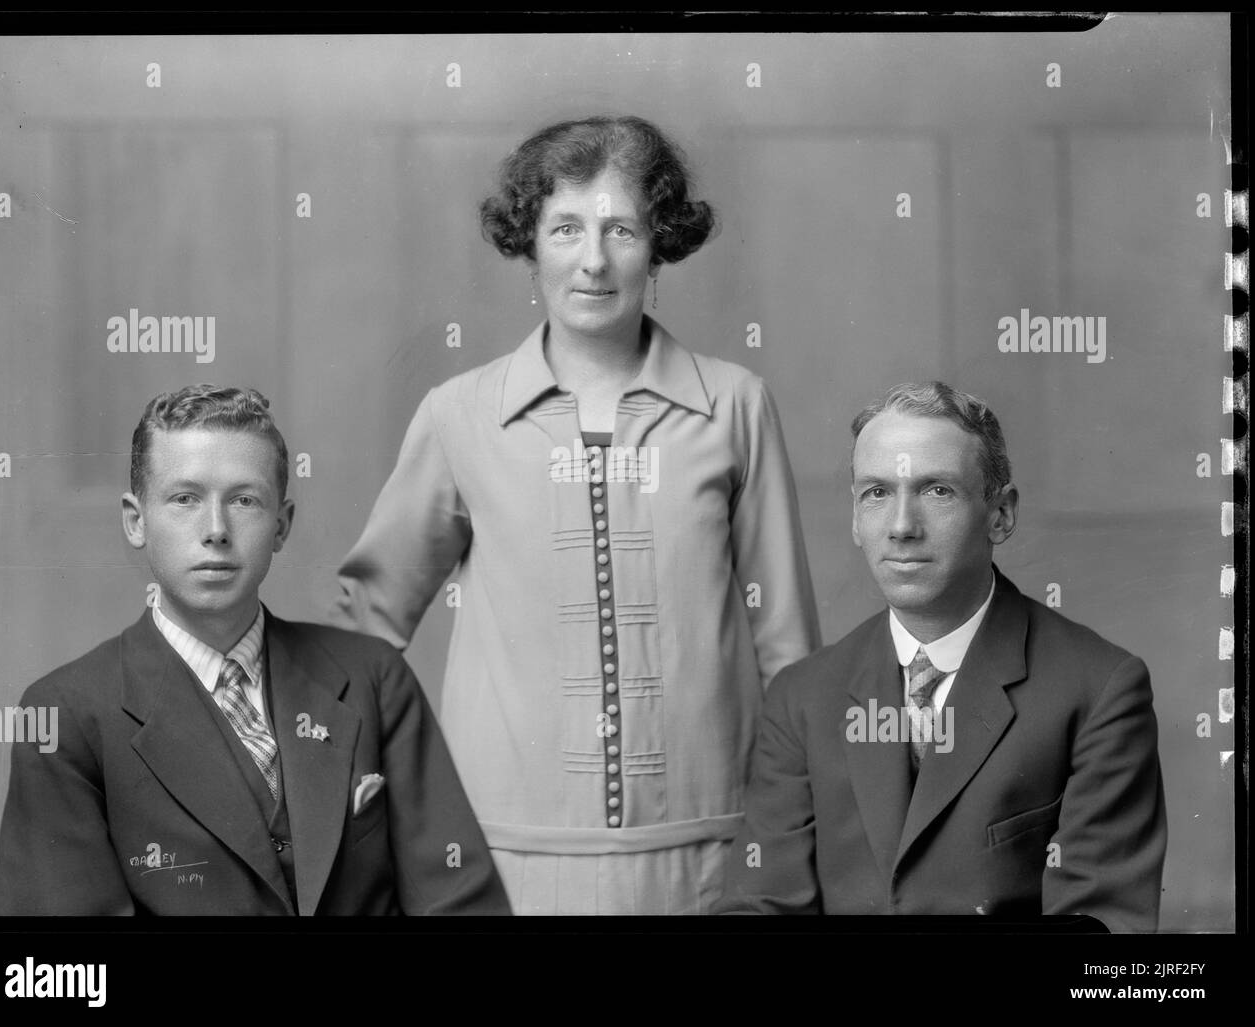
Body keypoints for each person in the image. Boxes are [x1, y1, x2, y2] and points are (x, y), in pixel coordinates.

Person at [335, 115, 821, 914]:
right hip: (495, 862)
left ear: (658, 247)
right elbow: (364, 630)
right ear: (529, 248)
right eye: (565, 229)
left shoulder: (735, 406)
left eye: (621, 229)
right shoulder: (460, 414)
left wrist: (789, 840)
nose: (593, 260)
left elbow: (790, 649)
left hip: (707, 860)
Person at [0, 384, 509, 915]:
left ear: (281, 524)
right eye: (184, 498)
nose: (215, 530)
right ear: (136, 520)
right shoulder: (68, 715)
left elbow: (462, 904)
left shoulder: (374, 677)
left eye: (244, 500)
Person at [716, 381, 1167, 931]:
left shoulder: (1099, 689)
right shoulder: (803, 696)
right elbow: (760, 910)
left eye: (936, 491)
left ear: (1001, 515)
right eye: (877, 493)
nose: (902, 527)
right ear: (857, 520)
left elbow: (1099, 938)